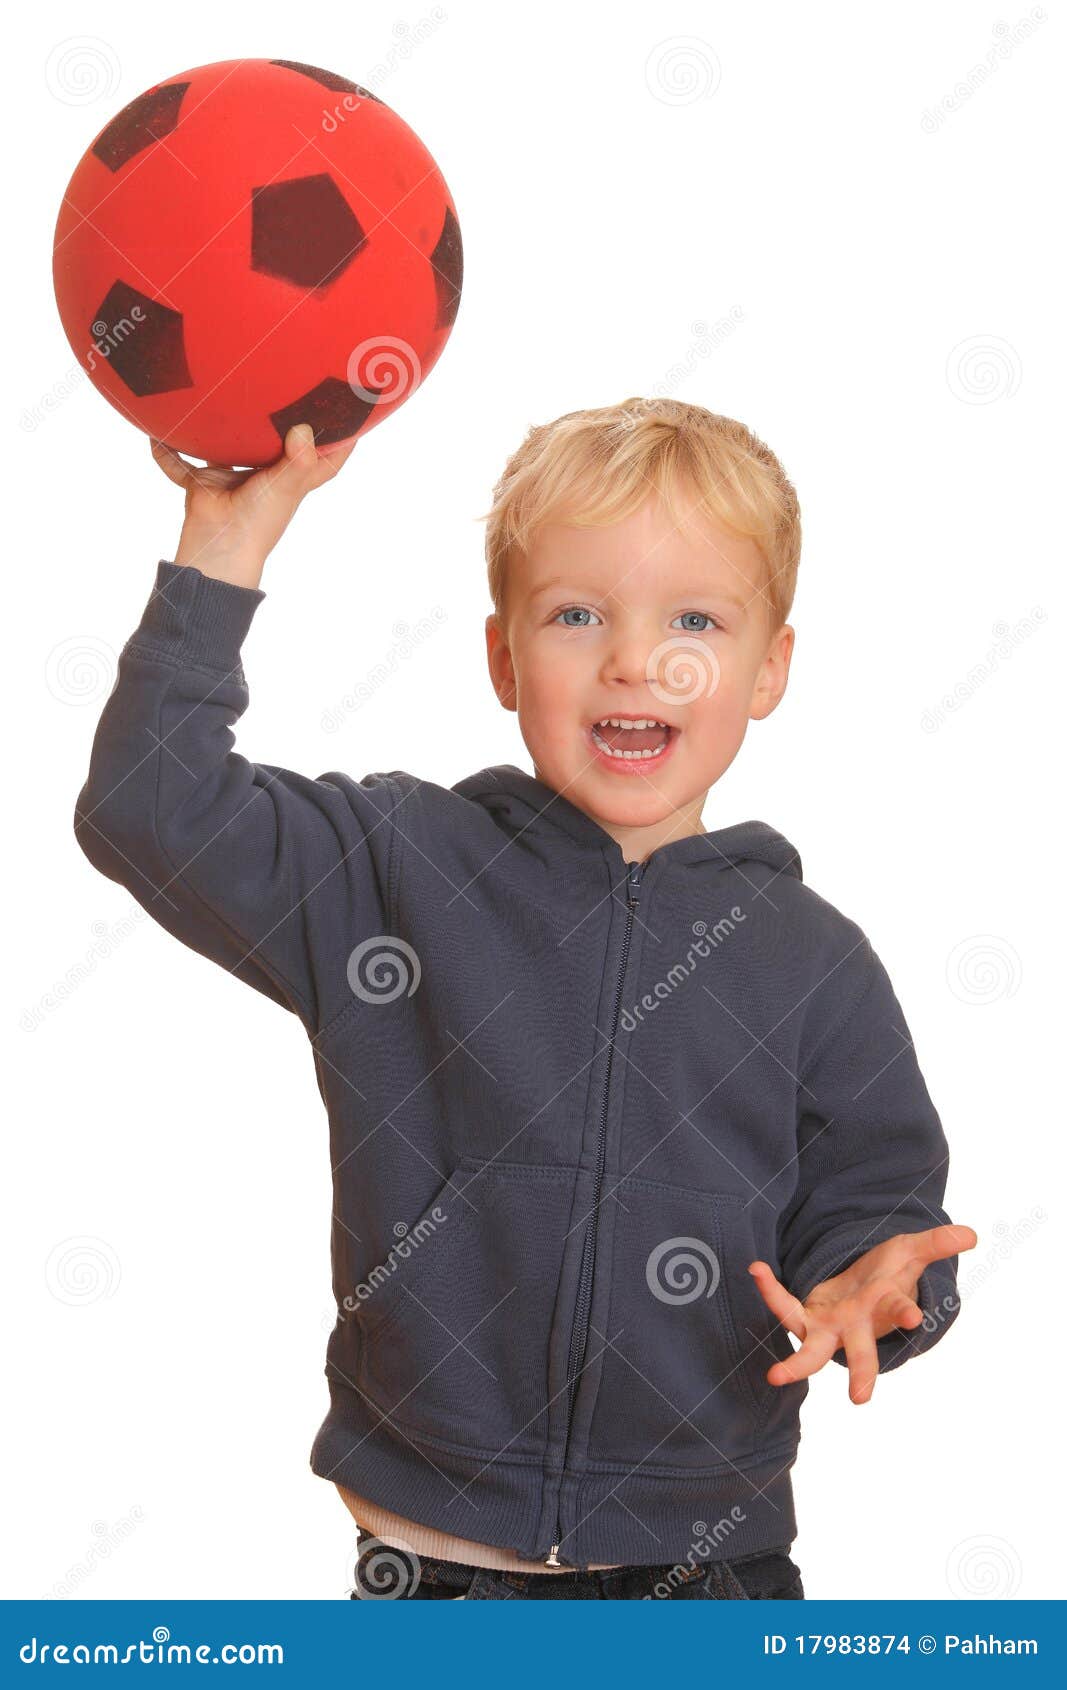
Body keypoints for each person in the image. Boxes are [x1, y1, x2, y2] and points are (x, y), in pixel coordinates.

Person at [73, 399, 976, 1600]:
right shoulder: (394, 871)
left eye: (693, 619)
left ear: (768, 670)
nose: (632, 659)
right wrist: (228, 546)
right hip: (434, 1576)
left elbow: (875, 1201)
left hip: (708, 1574)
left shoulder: (814, 961)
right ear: (502, 658)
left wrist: (876, 1278)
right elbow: (149, 807)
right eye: (575, 614)